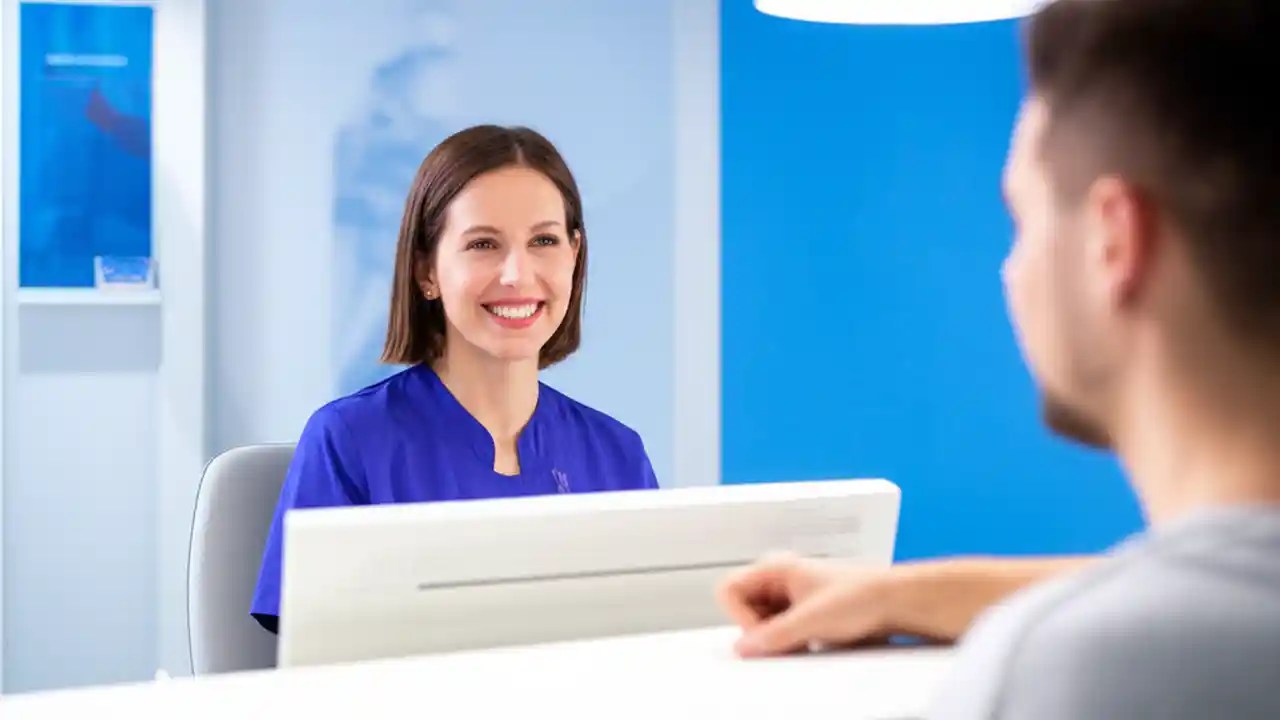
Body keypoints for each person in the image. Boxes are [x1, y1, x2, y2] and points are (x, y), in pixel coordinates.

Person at [718, 0, 1280, 716]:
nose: (1009, 271)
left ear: (1114, 242)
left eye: (1024, 218)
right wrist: (897, 595)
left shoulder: (1075, 674)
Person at [251, 125, 660, 633]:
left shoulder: (618, 456)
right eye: (483, 243)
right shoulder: (350, 442)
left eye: (545, 241)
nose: (517, 273)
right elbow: (318, 669)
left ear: (574, 256)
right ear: (426, 270)